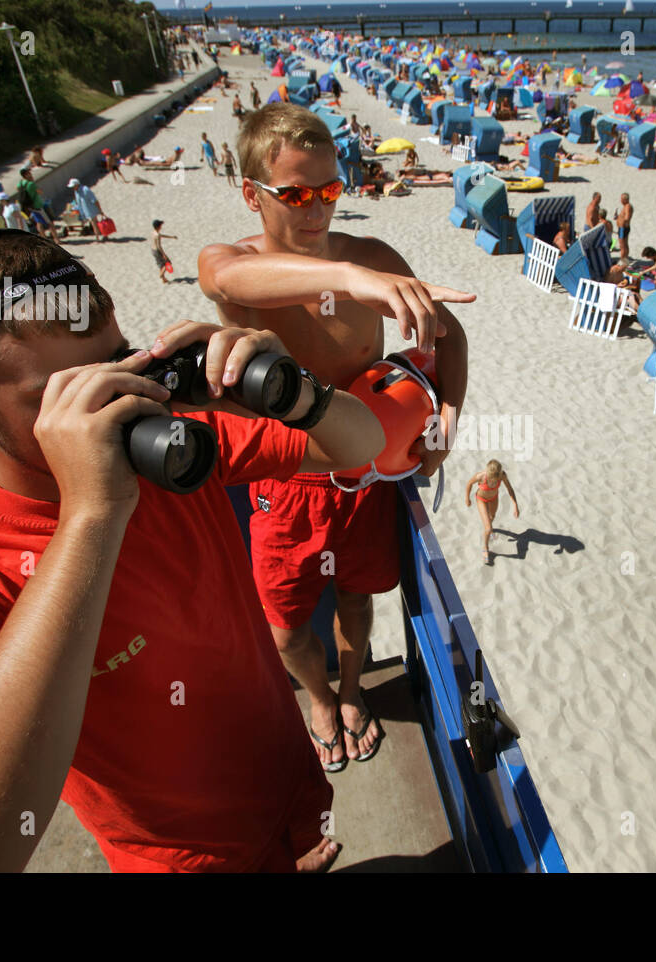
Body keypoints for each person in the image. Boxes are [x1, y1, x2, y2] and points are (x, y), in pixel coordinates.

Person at [0, 227, 383, 872]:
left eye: (120, 364)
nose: (115, 411)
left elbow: (361, 446)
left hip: (288, 787)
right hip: (186, 858)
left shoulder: (181, 446)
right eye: (61, 395)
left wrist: (294, 391)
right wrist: (91, 515)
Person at [196, 103, 474, 772]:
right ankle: (316, 700)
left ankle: (351, 694)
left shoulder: (372, 258)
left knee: (357, 597)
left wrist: (452, 409)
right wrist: (345, 279)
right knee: (288, 626)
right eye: (294, 194)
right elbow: (223, 277)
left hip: (370, 477)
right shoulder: (239, 264)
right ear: (251, 194)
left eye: (329, 190)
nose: (317, 210)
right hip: (287, 481)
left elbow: (448, 332)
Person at [466, 460, 519, 566]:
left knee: (492, 516)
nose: (494, 482)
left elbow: (510, 489)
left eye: (495, 481)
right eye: (491, 480)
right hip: (481, 499)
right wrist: (467, 498)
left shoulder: (502, 476)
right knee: (489, 528)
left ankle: (489, 532)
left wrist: (515, 506)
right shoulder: (481, 476)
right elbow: (469, 484)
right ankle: (485, 548)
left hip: (494, 498)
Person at [66, 178, 106, 242]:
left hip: (91, 209)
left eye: (73, 186)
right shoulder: (76, 192)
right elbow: (78, 202)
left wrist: (100, 210)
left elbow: (95, 200)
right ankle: (102, 235)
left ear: (77, 185)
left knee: (94, 223)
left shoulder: (85, 190)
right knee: (96, 223)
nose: (73, 188)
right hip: (86, 211)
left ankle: (98, 238)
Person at [615, 193, 633, 260]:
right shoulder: (626, 206)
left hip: (623, 228)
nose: (620, 200)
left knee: (622, 246)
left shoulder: (628, 207)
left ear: (625, 199)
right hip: (623, 228)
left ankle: (623, 259)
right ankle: (625, 258)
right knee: (625, 244)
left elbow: (627, 217)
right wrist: (618, 217)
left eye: (621, 199)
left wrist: (622, 222)